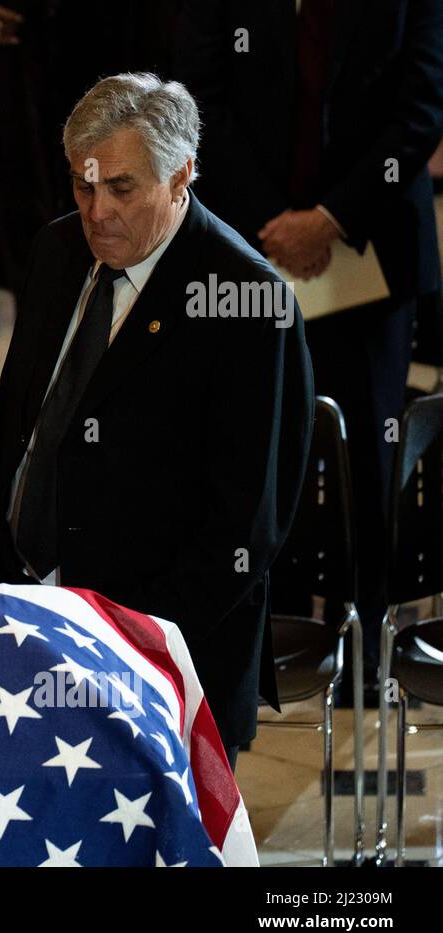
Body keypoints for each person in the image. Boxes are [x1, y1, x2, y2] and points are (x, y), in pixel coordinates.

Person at [0, 74, 314, 767]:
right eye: (82, 184)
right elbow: (20, 422)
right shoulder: (57, 250)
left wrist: (122, 642)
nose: (96, 212)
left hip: (164, 661)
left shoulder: (247, 301)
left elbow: (244, 530)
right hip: (30, 626)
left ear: (181, 173)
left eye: (121, 188)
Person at [176, 0, 443, 688]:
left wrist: (330, 218)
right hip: (249, 247)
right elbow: (197, 99)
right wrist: (275, 226)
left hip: (372, 244)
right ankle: (273, 637)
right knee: (261, 449)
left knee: (368, 450)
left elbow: (423, 101)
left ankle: (368, 648)